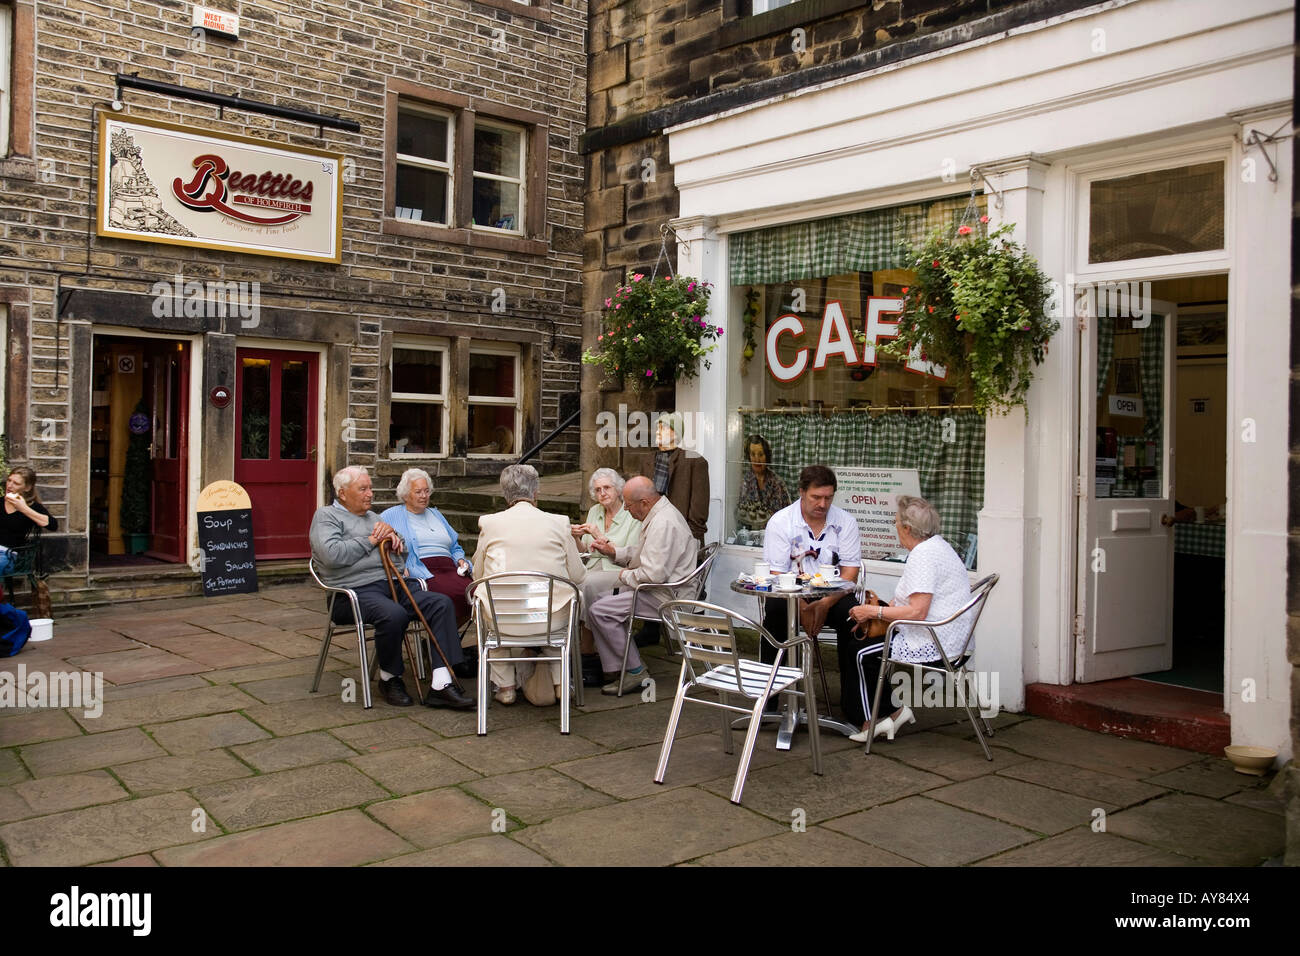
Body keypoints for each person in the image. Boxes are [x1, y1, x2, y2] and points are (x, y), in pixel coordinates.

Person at [309, 465, 473, 710]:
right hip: (351, 593)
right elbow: (333, 556)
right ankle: (389, 678)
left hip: (392, 584)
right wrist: (372, 541)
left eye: (370, 488)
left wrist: (397, 542)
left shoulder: (374, 518)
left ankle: (441, 684)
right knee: (393, 614)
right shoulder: (326, 517)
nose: (370, 494)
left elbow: (402, 557)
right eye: (363, 489)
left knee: (440, 602)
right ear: (342, 493)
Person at [845, 495, 974, 742]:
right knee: (864, 647)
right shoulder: (937, 546)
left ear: (906, 528)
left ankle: (872, 721)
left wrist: (873, 612)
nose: (895, 529)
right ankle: (893, 713)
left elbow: (917, 612)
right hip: (950, 637)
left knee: (860, 652)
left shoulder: (923, 556)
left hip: (936, 641)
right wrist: (883, 609)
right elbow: (911, 601)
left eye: (896, 523)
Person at [472, 464, 587, 706]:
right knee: (561, 606)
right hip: (549, 618)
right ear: (536, 493)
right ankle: (560, 682)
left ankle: (505, 688)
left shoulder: (490, 523)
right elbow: (577, 575)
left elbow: (478, 575)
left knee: (490, 609)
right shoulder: (559, 522)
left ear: (505, 495)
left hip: (504, 619)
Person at [760, 465, 862, 711]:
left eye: (828, 498)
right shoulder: (782, 521)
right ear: (801, 492)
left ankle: (855, 708)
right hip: (789, 594)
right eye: (816, 497)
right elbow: (777, 575)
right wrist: (804, 608)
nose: (822, 504)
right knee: (773, 616)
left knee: (854, 618)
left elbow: (850, 574)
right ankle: (767, 702)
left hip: (832, 594)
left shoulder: (845, 522)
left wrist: (824, 605)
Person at [584, 476, 697, 695]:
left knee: (600, 611)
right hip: (661, 589)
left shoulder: (663, 523)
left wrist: (625, 575)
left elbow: (653, 575)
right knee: (598, 601)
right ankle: (617, 668)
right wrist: (614, 552)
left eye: (628, 505)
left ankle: (635, 671)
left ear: (644, 502)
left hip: (667, 597)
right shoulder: (660, 513)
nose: (626, 510)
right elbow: (644, 554)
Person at [380, 468, 472, 624]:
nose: (424, 496)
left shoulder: (436, 514)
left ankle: (446, 638)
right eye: (418, 492)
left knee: (477, 594)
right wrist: (400, 565)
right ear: (405, 494)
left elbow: (454, 546)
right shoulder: (390, 515)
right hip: (423, 570)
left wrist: (460, 560)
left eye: (427, 491)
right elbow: (381, 546)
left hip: (451, 568)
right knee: (448, 596)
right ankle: (444, 641)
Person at [629, 412, 709, 545]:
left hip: (683, 538)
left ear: (676, 434)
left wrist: (689, 541)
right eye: (658, 428)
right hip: (652, 536)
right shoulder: (647, 461)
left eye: (664, 428)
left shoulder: (695, 461)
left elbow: (699, 512)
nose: (658, 432)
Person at [572, 468, 642, 572]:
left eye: (607, 487)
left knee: (582, 584)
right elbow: (584, 551)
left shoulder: (632, 514)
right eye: (598, 490)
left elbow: (631, 558)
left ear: (618, 489)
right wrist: (575, 537)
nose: (602, 493)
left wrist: (599, 536)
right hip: (590, 568)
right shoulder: (594, 510)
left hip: (617, 571)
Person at [0, 467, 57, 575]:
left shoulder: (33, 507)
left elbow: (53, 525)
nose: (9, 485)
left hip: (9, 555)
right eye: (9, 480)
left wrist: (23, 508)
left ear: (27, 488)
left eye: (16, 483)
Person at [735, 434, 790, 530]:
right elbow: (740, 517)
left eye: (761, 454)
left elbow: (788, 517)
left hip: (776, 533)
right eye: (753, 454)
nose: (757, 459)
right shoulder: (745, 482)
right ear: (749, 457)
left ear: (767, 456)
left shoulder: (778, 483)